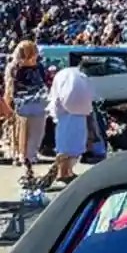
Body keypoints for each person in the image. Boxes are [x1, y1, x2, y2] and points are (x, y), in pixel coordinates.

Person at [42, 57, 94, 189]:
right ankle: (63, 173)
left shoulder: (71, 75)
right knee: (69, 145)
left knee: (70, 145)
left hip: (68, 114)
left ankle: (66, 172)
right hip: (71, 114)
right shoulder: (78, 76)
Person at [5, 41, 48, 182]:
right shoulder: (14, 68)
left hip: (40, 107)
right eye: (32, 53)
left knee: (36, 137)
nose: (35, 56)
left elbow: (44, 84)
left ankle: (29, 161)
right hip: (22, 108)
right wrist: (8, 109)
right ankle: (27, 164)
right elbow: (9, 90)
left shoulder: (39, 67)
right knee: (23, 138)